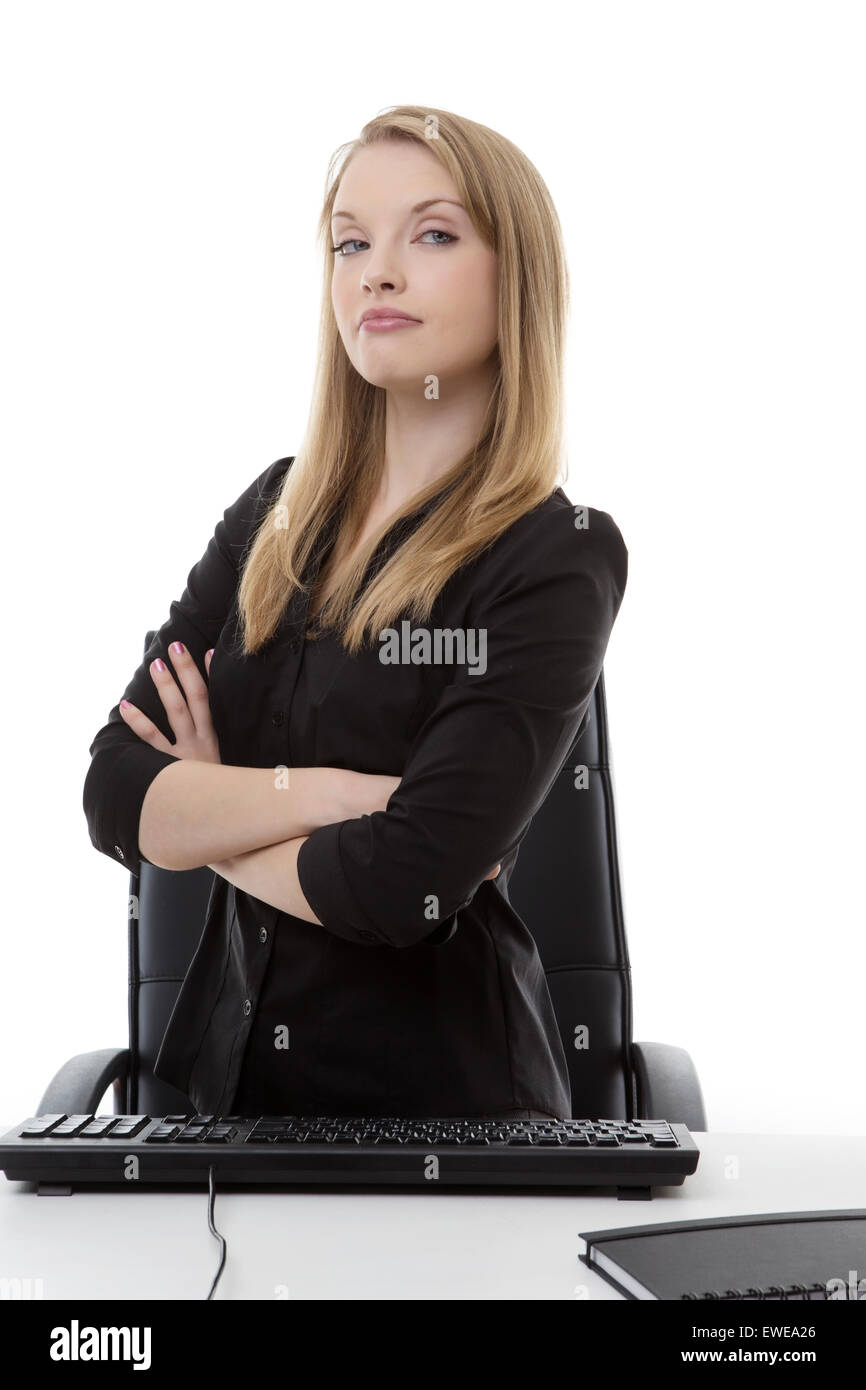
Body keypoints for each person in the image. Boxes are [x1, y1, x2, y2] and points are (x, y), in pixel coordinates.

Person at [83, 105, 628, 1122]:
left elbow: (405, 887)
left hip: (451, 1123)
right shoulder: (271, 513)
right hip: (223, 1105)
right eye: (349, 241)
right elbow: (114, 792)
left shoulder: (558, 551)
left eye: (430, 233)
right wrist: (341, 794)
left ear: (516, 275)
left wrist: (208, 806)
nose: (375, 271)